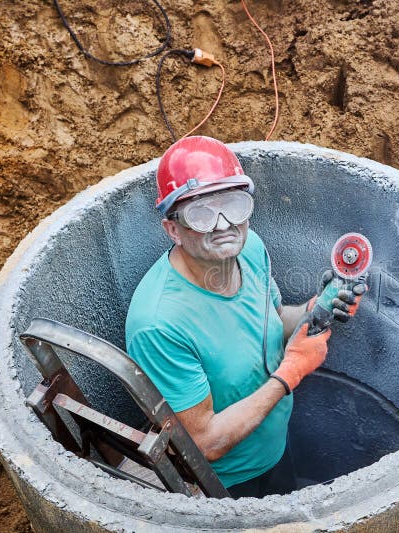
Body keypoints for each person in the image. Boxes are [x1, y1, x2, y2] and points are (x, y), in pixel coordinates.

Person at [125, 136, 366, 498]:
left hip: (274, 446)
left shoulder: (249, 249)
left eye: (233, 204)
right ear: (172, 228)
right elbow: (205, 442)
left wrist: (311, 311)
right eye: (201, 213)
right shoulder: (159, 324)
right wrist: (289, 375)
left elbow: (273, 319)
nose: (223, 224)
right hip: (227, 482)